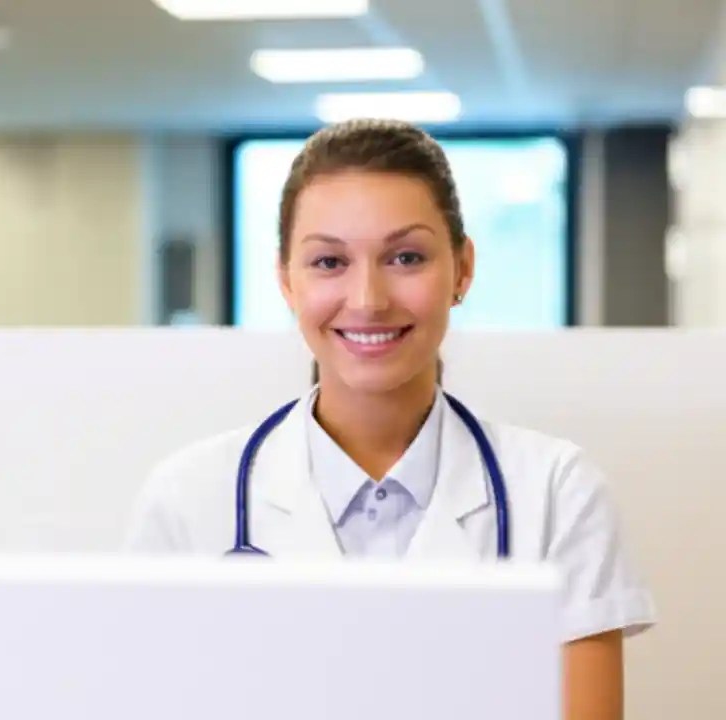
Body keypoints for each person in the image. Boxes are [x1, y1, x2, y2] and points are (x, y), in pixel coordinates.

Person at [124, 119, 655, 719]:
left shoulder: (557, 492)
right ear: (285, 281)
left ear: (462, 268)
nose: (369, 298)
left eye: (406, 256)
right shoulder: (189, 500)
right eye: (329, 261)